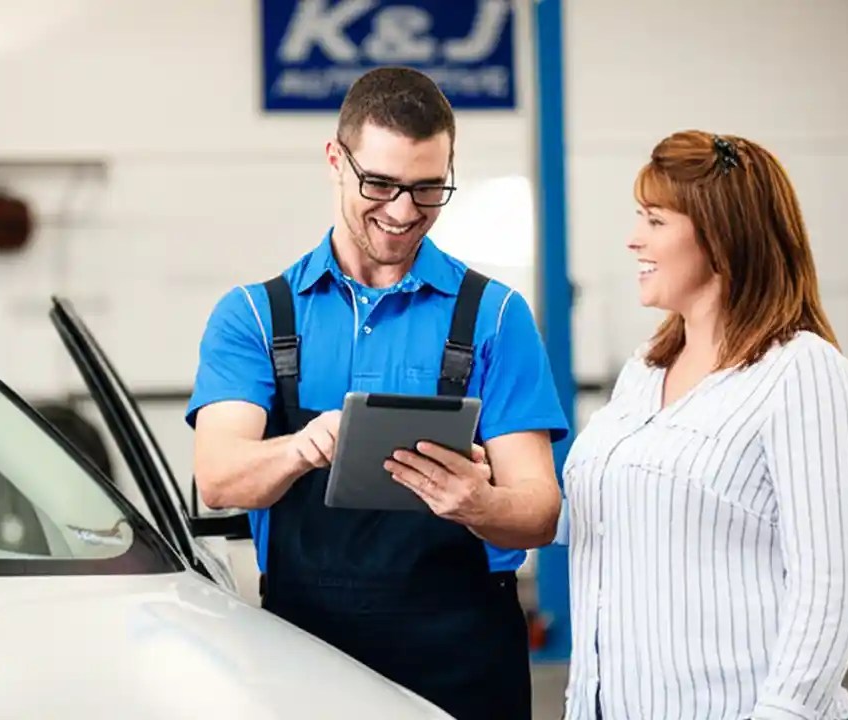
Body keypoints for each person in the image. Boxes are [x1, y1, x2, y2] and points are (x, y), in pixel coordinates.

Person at [184, 66, 570, 720]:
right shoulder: (255, 316)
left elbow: (538, 510)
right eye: (381, 185)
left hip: (463, 656)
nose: (402, 212)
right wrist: (302, 448)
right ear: (336, 160)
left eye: (427, 189)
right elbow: (219, 479)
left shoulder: (494, 318)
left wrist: (478, 502)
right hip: (308, 651)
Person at [560, 130, 848, 720]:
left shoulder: (801, 373)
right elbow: (605, 513)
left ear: (721, 237)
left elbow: (829, 583)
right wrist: (486, 499)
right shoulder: (645, 370)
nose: (633, 240)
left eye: (654, 221)